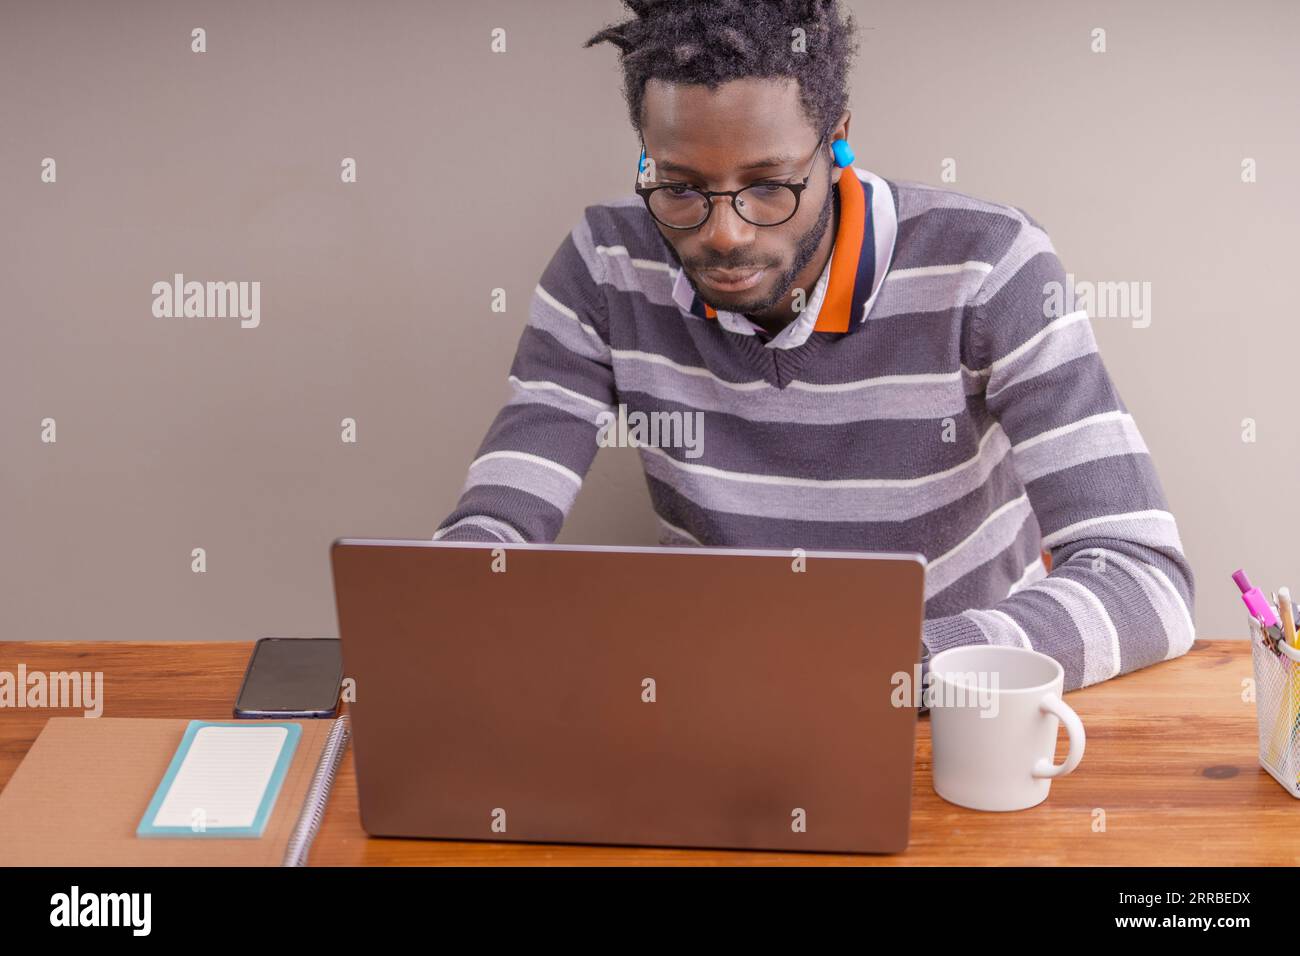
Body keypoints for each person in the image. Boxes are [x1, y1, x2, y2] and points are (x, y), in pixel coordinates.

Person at [434, 0, 1195, 692]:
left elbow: (1143, 580)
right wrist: (451, 601)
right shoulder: (606, 265)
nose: (725, 232)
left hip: (955, 711)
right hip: (704, 698)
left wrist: (886, 668)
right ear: (646, 157)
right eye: (680, 186)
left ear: (836, 147)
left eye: (770, 184)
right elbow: (498, 527)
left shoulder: (990, 266)